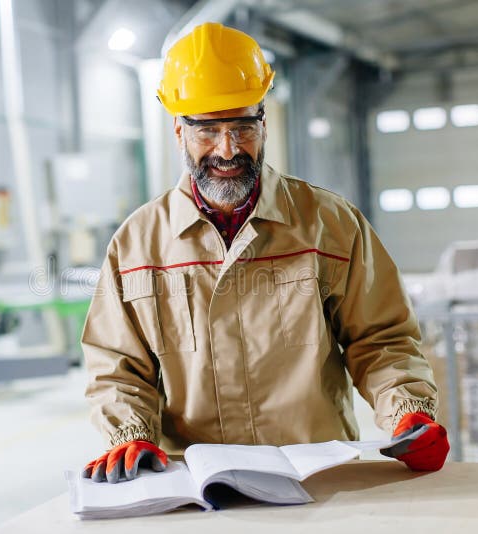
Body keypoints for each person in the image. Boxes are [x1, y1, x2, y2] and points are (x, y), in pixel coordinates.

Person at [80, 22, 449, 484]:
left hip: (319, 477)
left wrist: (406, 411)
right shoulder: (137, 244)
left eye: (242, 126)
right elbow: (117, 368)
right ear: (178, 130)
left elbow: (381, 340)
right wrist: (130, 432)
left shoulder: (329, 224)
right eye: (208, 131)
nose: (228, 149)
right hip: (196, 483)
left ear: (264, 123)